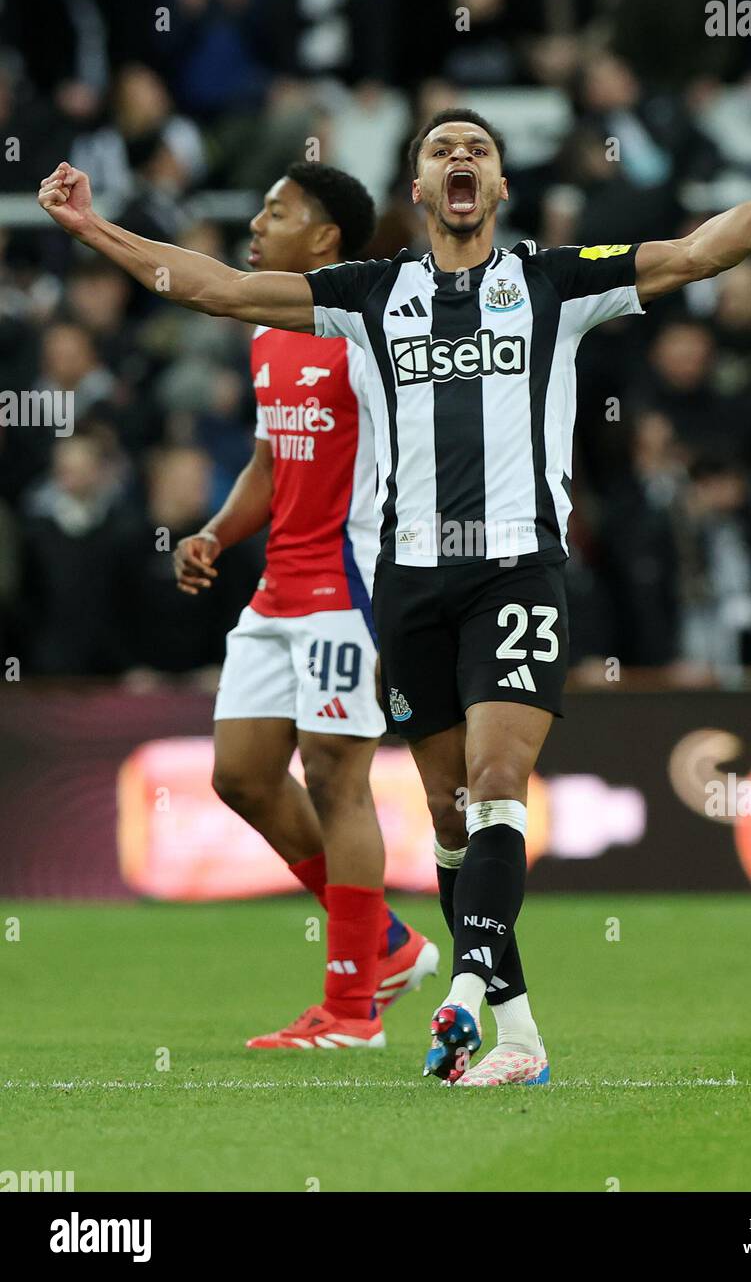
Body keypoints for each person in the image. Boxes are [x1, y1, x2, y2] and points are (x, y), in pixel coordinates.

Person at [37, 104, 751, 1086]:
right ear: (416, 191)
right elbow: (217, 287)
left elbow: (693, 253)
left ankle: (461, 994)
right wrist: (94, 230)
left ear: (499, 187)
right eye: (440, 150)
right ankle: (519, 1038)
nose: (461, 158)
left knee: (499, 781)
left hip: (516, 567)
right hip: (409, 580)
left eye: (479, 150)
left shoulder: (554, 281)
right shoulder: (367, 294)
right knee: (453, 816)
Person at [176, 162, 439, 1048]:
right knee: (240, 775)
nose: (254, 220)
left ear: (324, 238)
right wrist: (215, 532)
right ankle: (390, 947)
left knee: (336, 777)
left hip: (347, 588)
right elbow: (267, 464)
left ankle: (352, 1007)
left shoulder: (367, 336)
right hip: (276, 588)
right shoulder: (266, 334)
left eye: (275, 210)